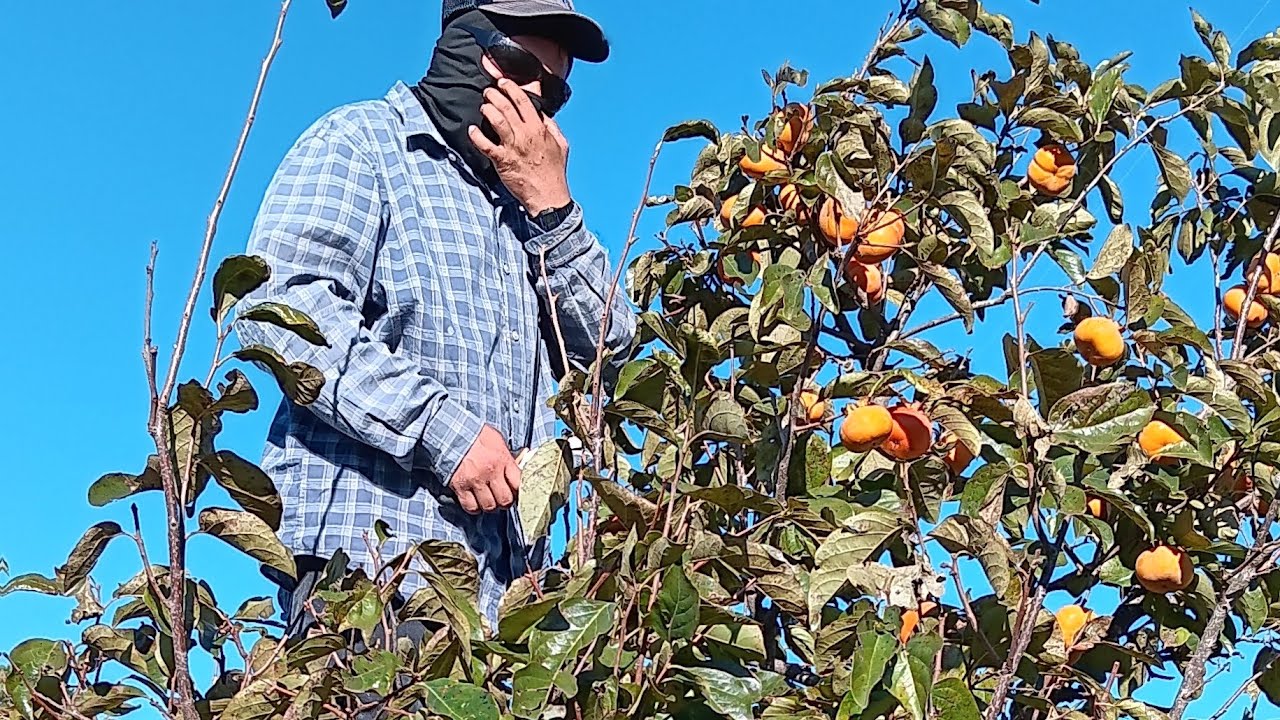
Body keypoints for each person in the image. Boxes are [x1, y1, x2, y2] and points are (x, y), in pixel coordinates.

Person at [234, 0, 635, 634]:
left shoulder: (526, 215)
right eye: (519, 63)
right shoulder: (362, 144)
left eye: (554, 91)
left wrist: (554, 211)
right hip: (375, 580)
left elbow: (607, 355)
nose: (535, 95)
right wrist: (444, 433)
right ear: (462, 40)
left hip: (506, 616)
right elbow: (283, 313)